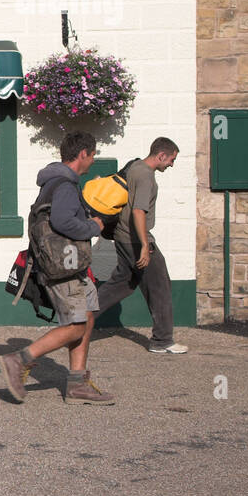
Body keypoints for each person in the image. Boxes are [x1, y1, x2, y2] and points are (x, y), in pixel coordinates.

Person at [0, 131, 114, 404]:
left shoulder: (57, 182)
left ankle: (76, 384)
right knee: (76, 326)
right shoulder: (63, 185)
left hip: (71, 264)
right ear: (83, 153)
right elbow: (63, 222)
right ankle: (19, 360)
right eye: (93, 154)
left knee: (88, 316)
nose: (93, 160)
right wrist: (93, 226)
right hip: (64, 266)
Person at [95, 137, 186, 354]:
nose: (172, 165)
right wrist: (145, 245)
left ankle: (78, 321)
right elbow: (138, 211)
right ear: (161, 155)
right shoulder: (145, 175)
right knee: (160, 286)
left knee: (121, 284)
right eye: (171, 160)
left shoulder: (134, 166)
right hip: (136, 239)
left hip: (122, 237)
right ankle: (162, 340)